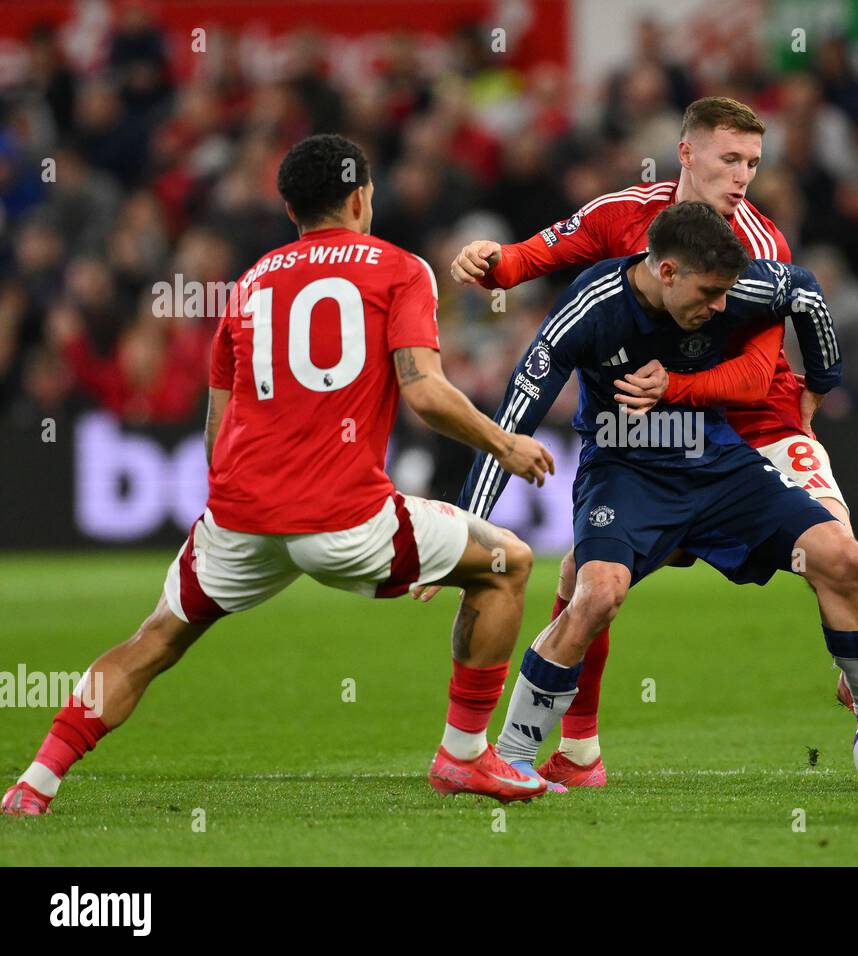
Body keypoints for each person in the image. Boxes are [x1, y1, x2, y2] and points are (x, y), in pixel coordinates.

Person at [2, 134, 556, 816]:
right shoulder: (400, 269)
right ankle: (464, 757)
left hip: (240, 517)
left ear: (291, 208)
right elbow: (424, 392)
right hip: (346, 519)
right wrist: (504, 443)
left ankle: (36, 780)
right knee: (508, 565)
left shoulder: (251, 284)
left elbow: (217, 429)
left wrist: (244, 504)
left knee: (152, 641)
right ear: (360, 197)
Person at [457, 201, 858, 787]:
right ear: (667, 272)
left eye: (728, 292)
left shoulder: (730, 285)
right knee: (595, 595)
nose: (722, 306)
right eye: (710, 293)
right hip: (627, 473)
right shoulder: (589, 309)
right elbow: (514, 417)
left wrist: (821, 383)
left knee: (843, 557)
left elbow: (802, 290)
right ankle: (516, 757)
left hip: (718, 464)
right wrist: (467, 532)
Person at [448, 96, 858, 785]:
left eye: (753, 164)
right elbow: (531, 258)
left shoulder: (760, 249)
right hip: (641, 441)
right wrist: (491, 264)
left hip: (753, 424)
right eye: (730, 159)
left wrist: (811, 384)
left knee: (839, 551)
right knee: (588, 580)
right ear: (687, 154)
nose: (742, 177)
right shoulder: (623, 214)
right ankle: (574, 750)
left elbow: (757, 375)